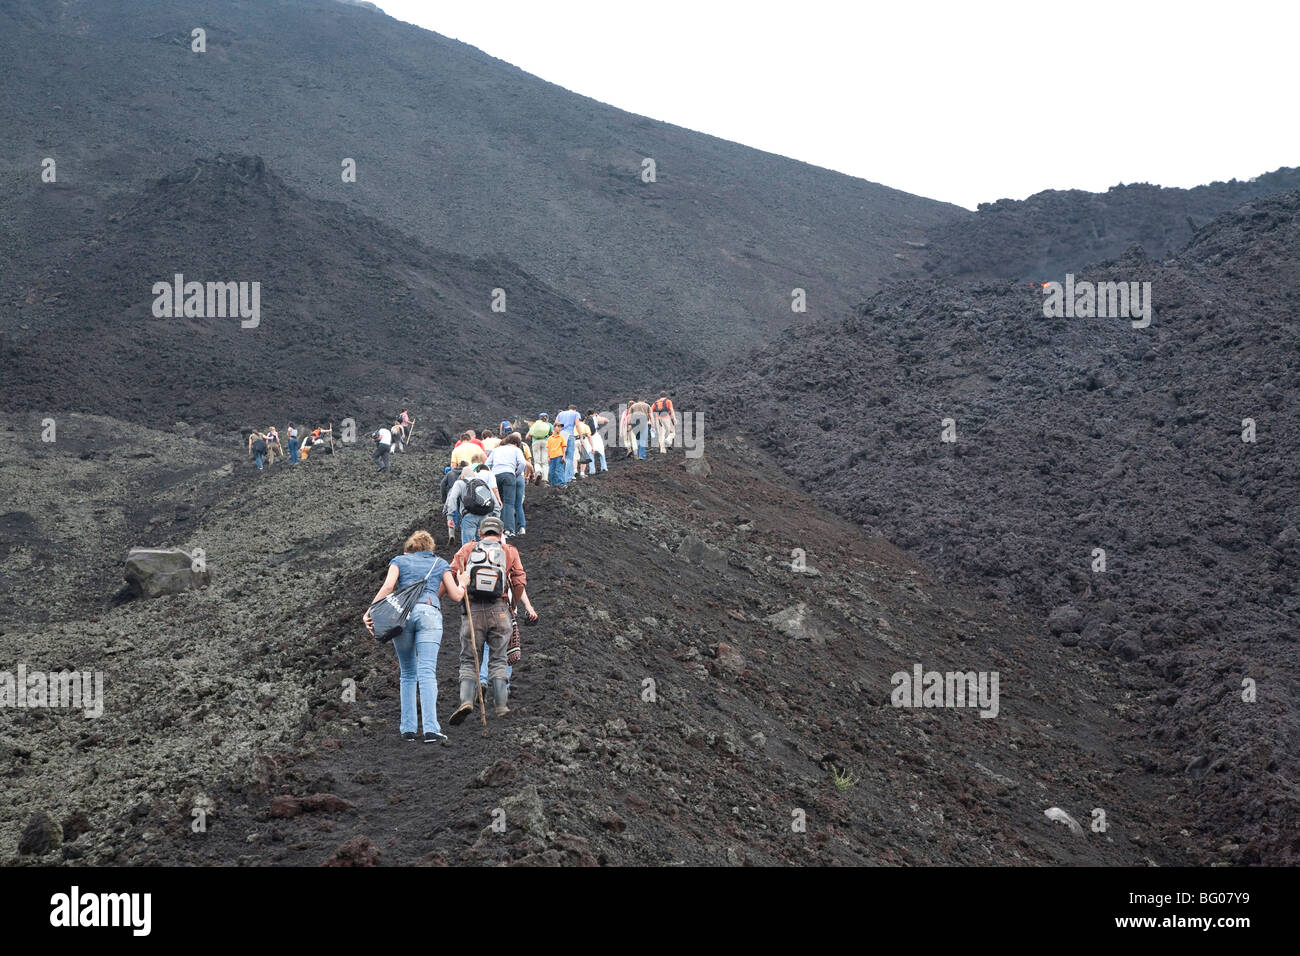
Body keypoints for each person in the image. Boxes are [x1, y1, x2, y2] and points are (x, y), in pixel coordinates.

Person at [363, 530, 464, 743]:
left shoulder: (399, 560)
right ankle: (430, 729)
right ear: (430, 548)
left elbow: (389, 586)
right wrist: (462, 581)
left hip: (403, 618)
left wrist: (370, 610)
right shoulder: (440, 563)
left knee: (408, 673)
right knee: (427, 672)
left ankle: (408, 729)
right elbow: (455, 595)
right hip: (429, 614)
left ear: (409, 547)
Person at [447, 516, 538, 723]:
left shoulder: (468, 549)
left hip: (473, 612)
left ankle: (466, 701)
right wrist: (513, 605)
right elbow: (520, 580)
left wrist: (459, 590)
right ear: (500, 534)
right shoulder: (509, 551)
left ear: (480, 533)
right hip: (500, 609)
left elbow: (450, 572)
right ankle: (501, 704)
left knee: (469, 659)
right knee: (499, 658)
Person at [444, 457, 501, 545]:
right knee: (483, 545)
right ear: (474, 475)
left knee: (468, 547)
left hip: (468, 517)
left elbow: (452, 499)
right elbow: (494, 501)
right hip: (484, 516)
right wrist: (496, 516)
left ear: (462, 476)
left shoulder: (459, 483)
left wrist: (450, 517)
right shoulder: (482, 482)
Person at [487, 433, 528, 535]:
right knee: (508, 503)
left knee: (498, 503)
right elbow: (523, 463)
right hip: (509, 475)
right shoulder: (516, 450)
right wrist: (516, 474)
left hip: (496, 476)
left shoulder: (496, 450)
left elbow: (487, 464)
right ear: (516, 443)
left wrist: (491, 474)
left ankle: (498, 529)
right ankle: (508, 530)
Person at [555, 405, 581, 481]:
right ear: (575, 409)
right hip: (569, 435)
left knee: (560, 456)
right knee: (569, 458)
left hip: (560, 435)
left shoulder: (560, 414)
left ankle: (559, 478)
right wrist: (581, 437)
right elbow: (577, 425)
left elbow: (556, 424)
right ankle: (568, 478)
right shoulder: (575, 414)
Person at [528, 414, 552, 485]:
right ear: (547, 418)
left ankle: (538, 472)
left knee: (537, 461)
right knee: (545, 462)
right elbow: (554, 433)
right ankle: (545, 479)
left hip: (535, 442)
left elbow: (527, 436)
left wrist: (533, 439)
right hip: (545, 442)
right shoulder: (548, 424)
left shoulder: (534, 425)